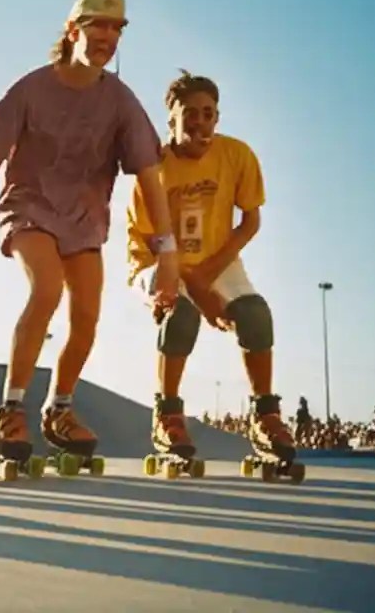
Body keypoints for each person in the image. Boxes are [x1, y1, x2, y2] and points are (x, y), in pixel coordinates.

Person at [0, 0, 180, 463]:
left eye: (117, 29)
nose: (108, 38)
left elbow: (150, 177)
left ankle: (59, 408)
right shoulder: (32, 89)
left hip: (84, 220)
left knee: (87, 317)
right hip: (28, 208)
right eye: (99, 26)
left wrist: (167, 251)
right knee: (47, 290)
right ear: (73, 30)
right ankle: (11, 407)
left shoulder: (120, 101)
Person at [125, 69, 296, 464]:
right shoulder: (154, 165)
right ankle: (166, 415)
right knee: (180, 312)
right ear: (171, 119)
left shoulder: (236, 155)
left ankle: (264, 416)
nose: (200, 122)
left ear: (217, 118)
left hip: (215, 259)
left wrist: (207, 276)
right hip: (156, 259)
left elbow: (250, 221)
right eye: (190, 114)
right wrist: (198, 292)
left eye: (208, 113)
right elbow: (155, 243)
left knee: (255, 315)